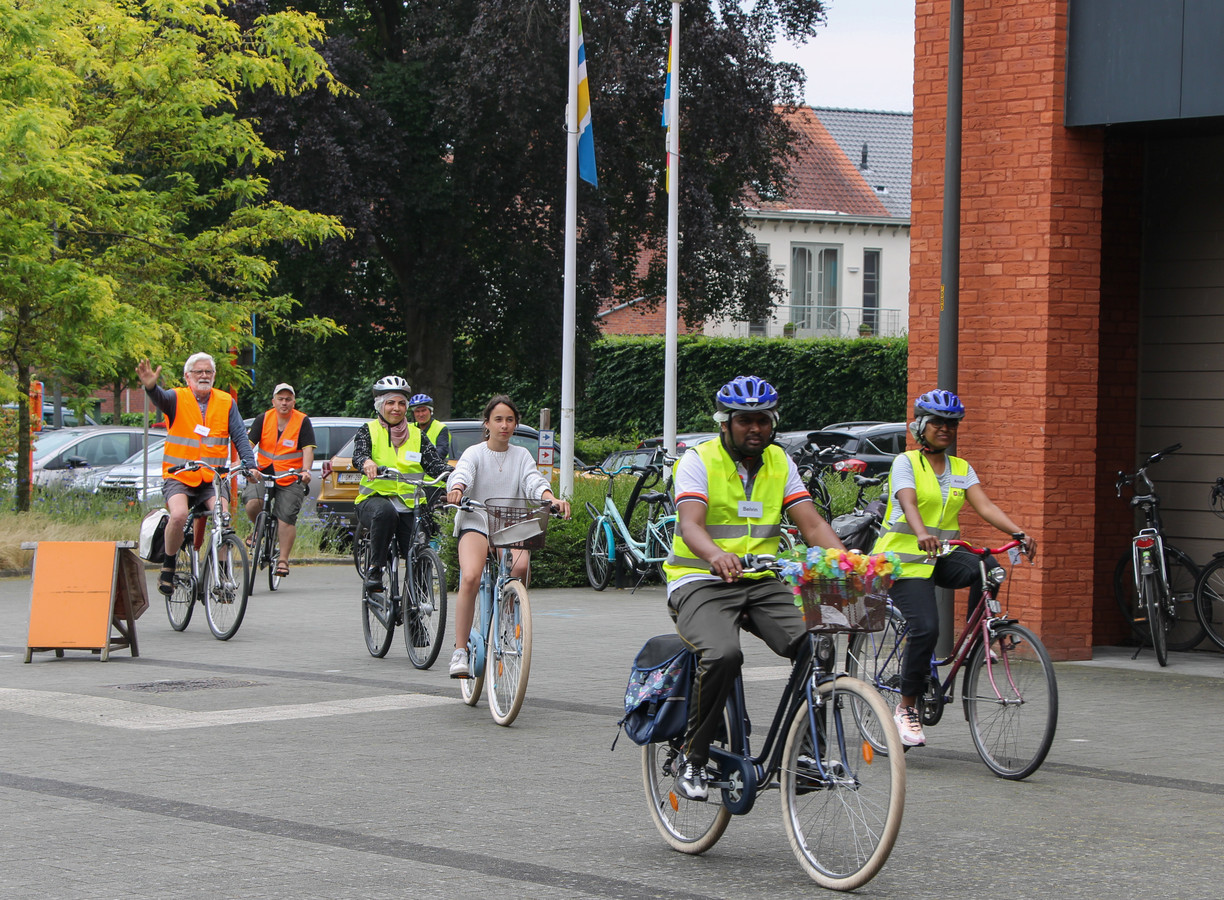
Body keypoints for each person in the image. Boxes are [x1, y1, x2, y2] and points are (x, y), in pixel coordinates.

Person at [663, 376, 844, 801]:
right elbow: (690, 525)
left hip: (760, 581)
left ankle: (804, 754)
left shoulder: (780, 462)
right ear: (725, 423)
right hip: (700, 580)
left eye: (763, 420)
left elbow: (812, 523)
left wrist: (849, 562)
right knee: (724, 654)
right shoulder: (698, 460)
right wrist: (715, 555)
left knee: (816, 643)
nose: (755, 429)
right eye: (745, 421)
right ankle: (692, 757)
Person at [871, 389, 1037, 748]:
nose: (945, 429)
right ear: (920, 426)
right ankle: (906, 707)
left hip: (940, 557)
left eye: (951, 424)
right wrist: (921, 533)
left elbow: (985, 506)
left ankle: (981, 639)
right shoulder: (906, 463)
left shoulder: (961, 469)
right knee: (926, 628)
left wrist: (1018, 533)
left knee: (989, 567)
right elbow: (908, 502)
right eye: (937, 423)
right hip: (903, 561)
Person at [444, 395, 571, 679]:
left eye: (510, 420)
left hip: (509, 524)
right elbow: (463, 472)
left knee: (520, 566)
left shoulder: (521, 455)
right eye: (498, 419)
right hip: (476, 521)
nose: (504, 425)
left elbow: (533, 480)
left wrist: (549, 498)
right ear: (487, 423)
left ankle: (510, 617)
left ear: (516, 424)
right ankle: (460, 650)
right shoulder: (475, 453)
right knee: (470, 576)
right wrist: (458, 488)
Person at [136, 353, 259, 596]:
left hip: (212, 478)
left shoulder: (226, 402)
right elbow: (160, 398)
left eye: (208, 372)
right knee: (179, 515)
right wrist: (151, 387)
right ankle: (168, 566)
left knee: (223, 519)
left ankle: (222, 577)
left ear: (214, 376)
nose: (204, 376)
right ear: (187, 376)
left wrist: (250, 464)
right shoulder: (176, 397)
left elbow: (239, 436)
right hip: (179, 475)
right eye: (198, 372)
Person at [352, 376, 450, 594]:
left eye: (401, 403)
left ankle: (417, 603)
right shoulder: (368, 430)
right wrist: (367, 462)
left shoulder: (417, 435)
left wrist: (455, 477)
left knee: (419, 550)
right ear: (380, 405)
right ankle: (376, 568)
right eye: (390, 403)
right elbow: (359, 455)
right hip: (375, 500)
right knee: (385, 513)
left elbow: (435, 464)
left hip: (411, 503)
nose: (396, 408)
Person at [242, 383, 315, 578]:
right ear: (273, 401)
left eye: (288, 399)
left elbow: (308, 449)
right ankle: (260, 529)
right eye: (280, 399)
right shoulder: (263, 418)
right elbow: (248, 444)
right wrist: (248, 466)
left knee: (286, 517)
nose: (284, 403)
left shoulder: (302, 421)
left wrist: (306, 471)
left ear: (294, 402)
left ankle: (282, 559)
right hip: (263, 472)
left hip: (290, 476)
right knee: (252, 503)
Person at [410, 393, 451, 461]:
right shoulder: (409, 428)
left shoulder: (440, 428)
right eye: (417, 411)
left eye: (423, 410)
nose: (421, 414)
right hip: (413, 467)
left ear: (430, 411)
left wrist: (416, 458)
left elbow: (441, 452)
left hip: (435, 466)